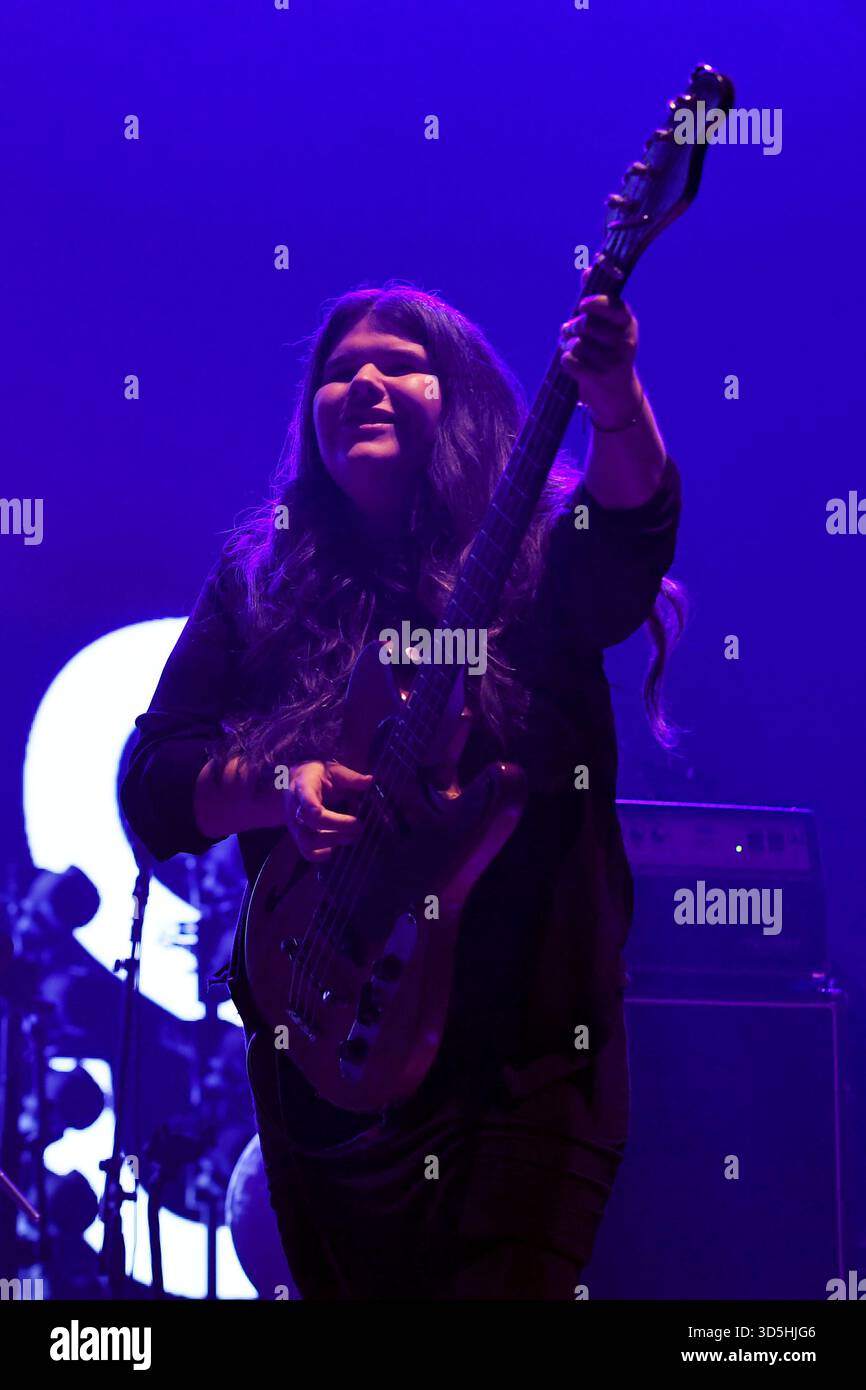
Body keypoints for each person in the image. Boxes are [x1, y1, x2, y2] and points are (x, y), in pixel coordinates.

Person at [120, 276, 683, 1299]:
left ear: (460, 397)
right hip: (324, 1056)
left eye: (397, 364)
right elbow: (154, 780)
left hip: (521, 1063)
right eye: (337, 372)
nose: (363, 381)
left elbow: (626, 554)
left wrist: (613, 398)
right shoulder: (260, 578)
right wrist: (281, 786)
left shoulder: (539, 551)